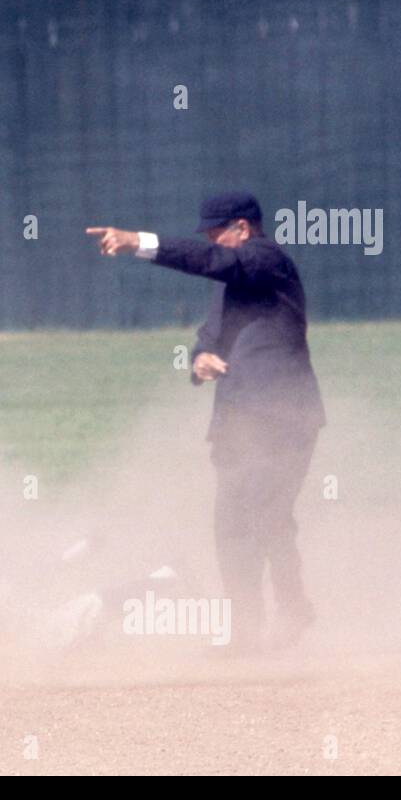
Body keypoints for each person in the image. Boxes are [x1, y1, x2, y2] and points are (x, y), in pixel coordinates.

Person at [86, 191, 325, 650]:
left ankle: (276, 616)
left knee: (260, 517)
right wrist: (200, 362)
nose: (212, 242)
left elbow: (216, 261)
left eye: (217, 233)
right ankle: (261, 623)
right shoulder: (231, 281)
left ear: (242, 226)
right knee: (240, 525)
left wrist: (139, 242)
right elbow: (208, 336)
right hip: (238, 423)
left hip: (283, 418)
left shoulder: (266, 259)